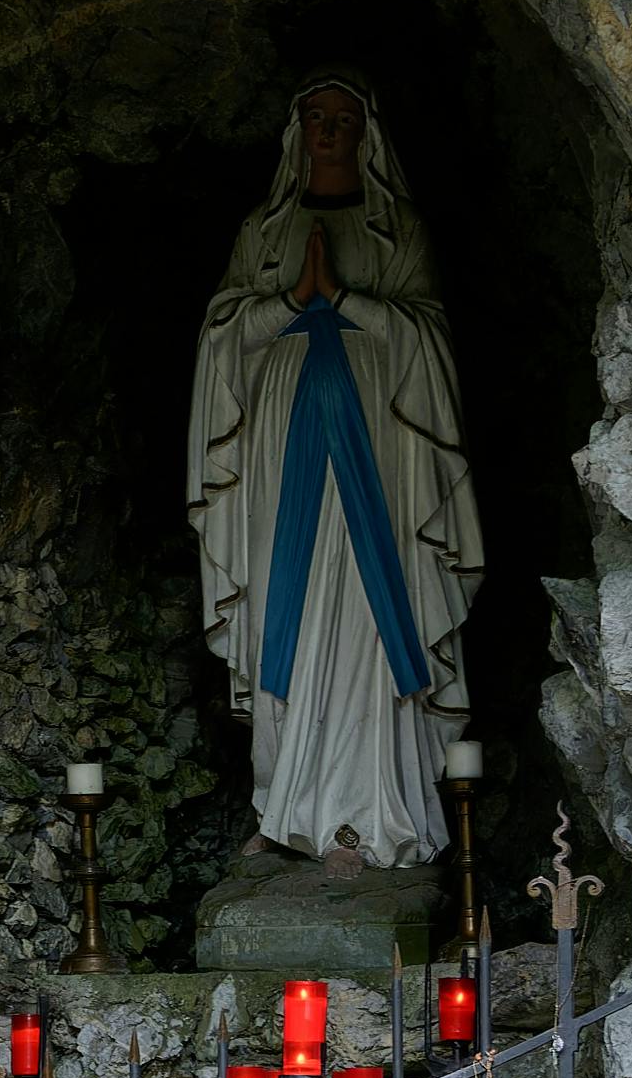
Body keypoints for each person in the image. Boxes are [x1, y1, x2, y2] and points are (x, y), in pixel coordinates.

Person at [181, 75, 482, 870]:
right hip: (281, 455)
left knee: (370, 616)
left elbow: (432, 344)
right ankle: (282, 805)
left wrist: (343, 299)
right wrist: (290, 305)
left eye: (344, 119)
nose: (328, 130)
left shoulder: (397, 234)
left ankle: (367, 812)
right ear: (295, 131)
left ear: (366, 134)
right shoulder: (263, 234)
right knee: (288, 610)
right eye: (315, 117)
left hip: (379, 456)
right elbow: (222, 341)